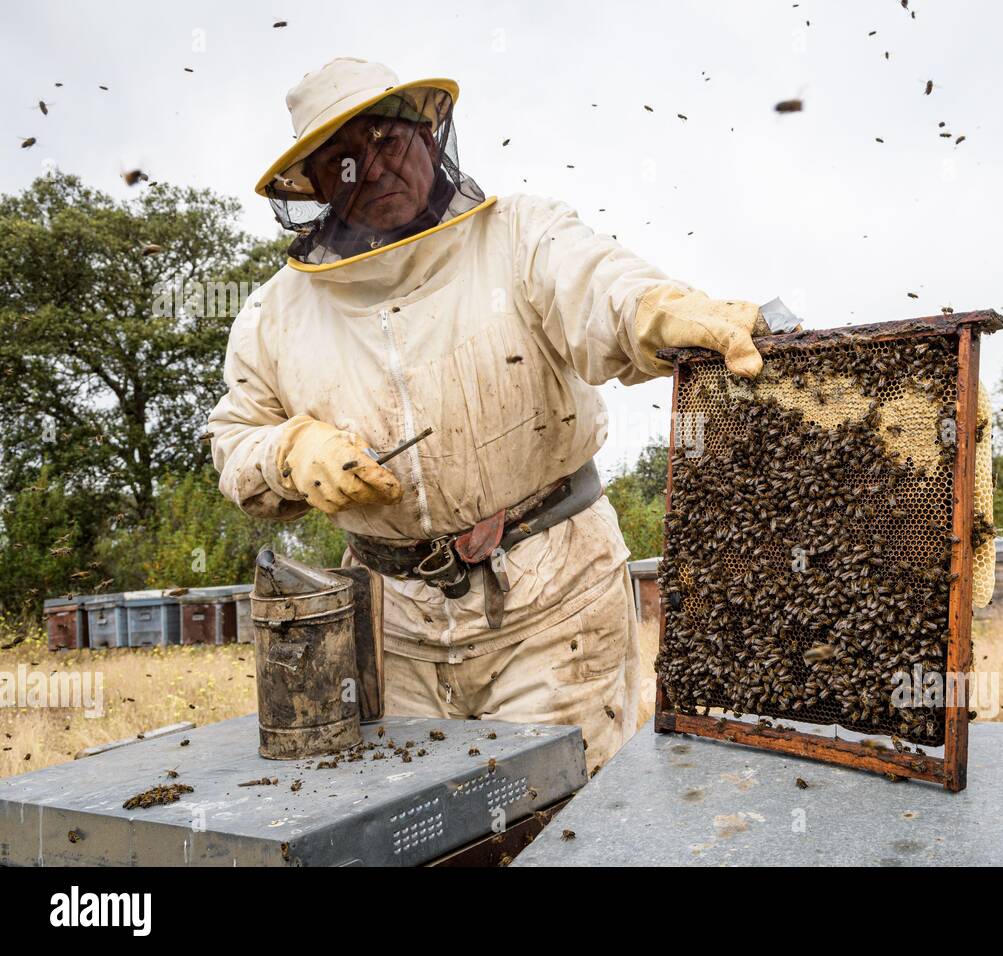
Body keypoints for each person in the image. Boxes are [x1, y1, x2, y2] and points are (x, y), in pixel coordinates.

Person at [208, 57, 772, 773]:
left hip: (554, 599)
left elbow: (602, 288)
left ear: (429, 134)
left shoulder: (520, 235)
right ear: (315, 185)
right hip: (394, 622)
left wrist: (660, 311)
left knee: (571, 823)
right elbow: (235, 443)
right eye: (343, 159)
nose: (372, 168)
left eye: (386, 141)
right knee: (424, 833)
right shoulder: (274, 314)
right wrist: (290, 452)